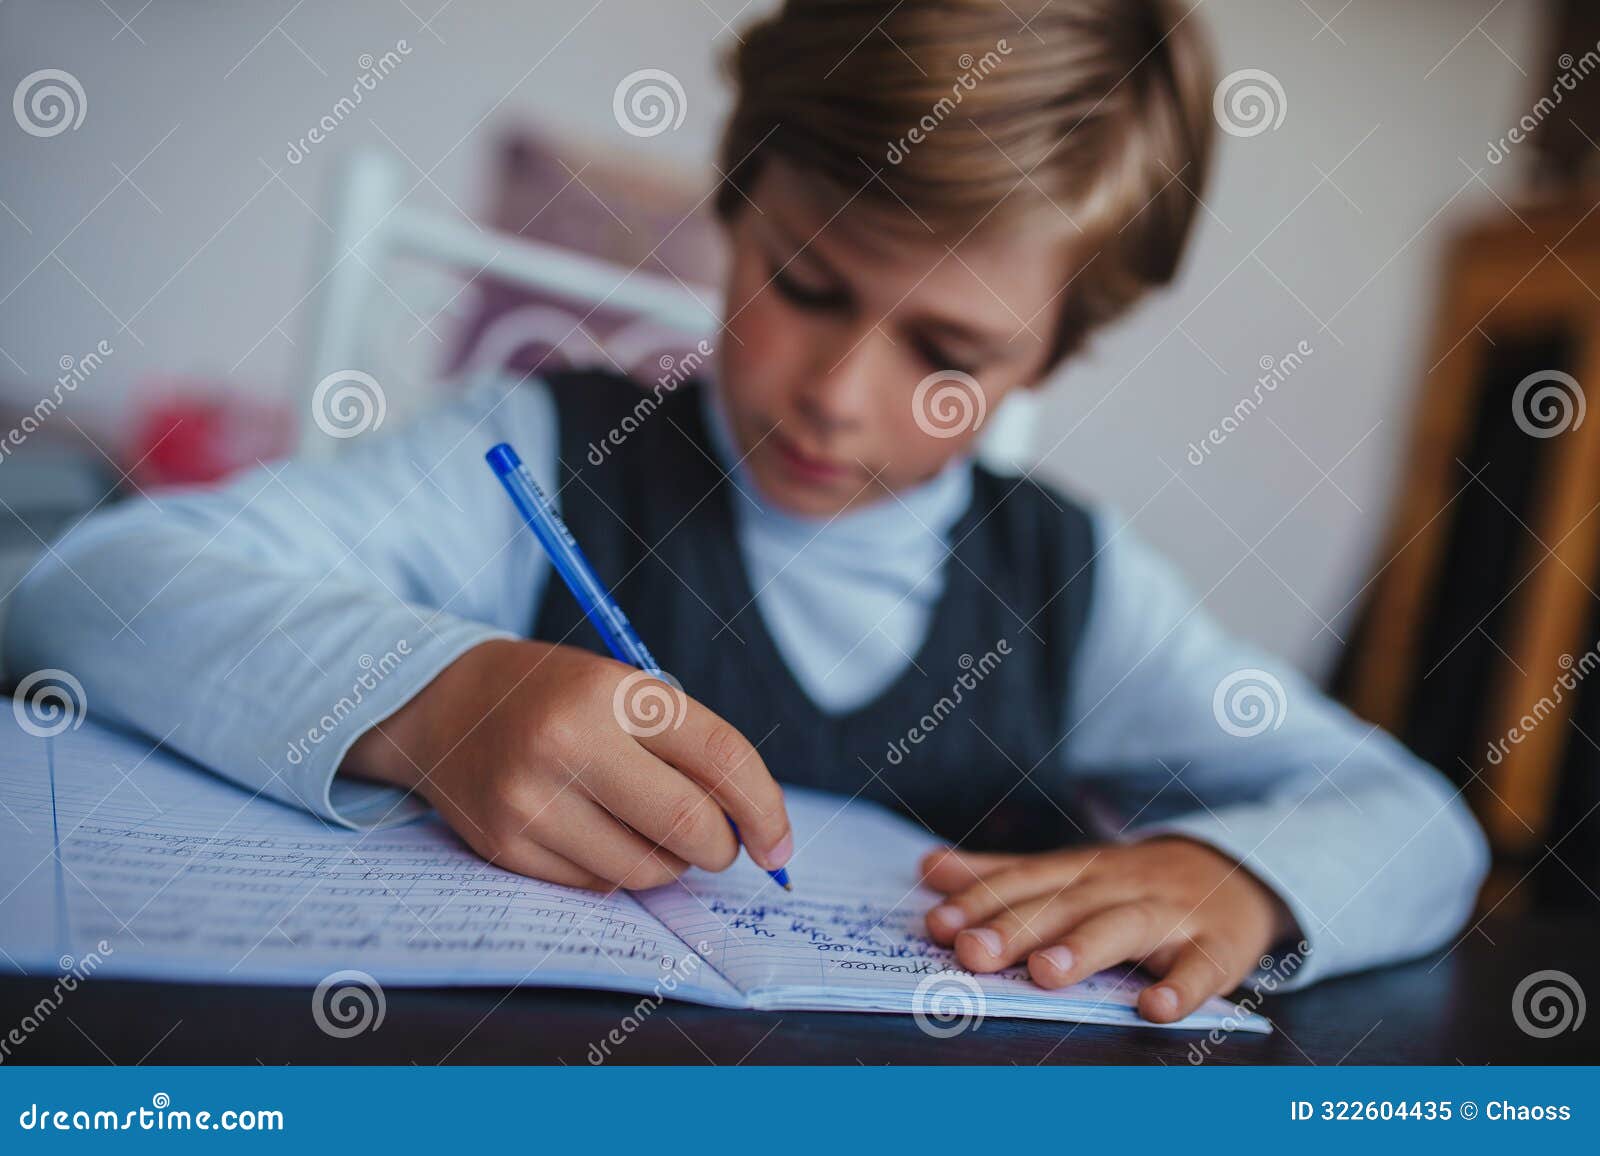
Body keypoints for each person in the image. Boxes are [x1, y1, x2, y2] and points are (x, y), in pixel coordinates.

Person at [6, 0, 1487, 1024]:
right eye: (808, 285)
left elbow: (1416, 822)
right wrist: (433, 701)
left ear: (1057, 350)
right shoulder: (543, 453)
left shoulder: (1069, 586)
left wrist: (1236, 875)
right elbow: (88, 584)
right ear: (735, 204)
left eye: (948, 356)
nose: (839, 394)